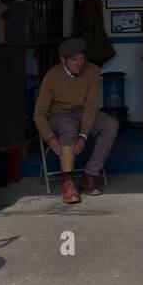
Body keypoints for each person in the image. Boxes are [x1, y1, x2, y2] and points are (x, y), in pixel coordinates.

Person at [33, 37, 119, 204]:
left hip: (84, 113)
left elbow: (91, 105)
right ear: (63, 60)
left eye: (81, 59)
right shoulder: (52, 76)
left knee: (110, 124)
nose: (79, 63)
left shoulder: (93, 71)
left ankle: (90, 175)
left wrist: (84, 136)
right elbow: (39, 113)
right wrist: (49, 136)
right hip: (59, 115)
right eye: (73, 60)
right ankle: (68, 182)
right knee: (68, 126)